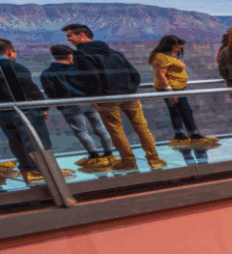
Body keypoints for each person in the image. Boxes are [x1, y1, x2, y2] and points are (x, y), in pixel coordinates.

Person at [63, 24, 165, 171]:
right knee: (141, 126)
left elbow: (90, 77)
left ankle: (128, 161)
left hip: (107, 97)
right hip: (129, 95)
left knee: (115, 129)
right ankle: (154, 158)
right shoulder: (113, 51)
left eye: (70, 35)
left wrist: (94, 97)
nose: (68, 39)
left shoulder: (81, 54)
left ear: (82, 35)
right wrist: (130, 88)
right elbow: (134, 74)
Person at [41, 45, 113, 167]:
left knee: (81, 131)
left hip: (69, 105)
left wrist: (60, 105)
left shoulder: (48, 73)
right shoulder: (81, 69)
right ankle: (109, 153)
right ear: (70, 56)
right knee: (100, 128)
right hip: (90, 101)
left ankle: (94, 155)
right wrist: (95, 98)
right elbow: (94, 83)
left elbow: (50, 92)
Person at [0, 39, 58, 181]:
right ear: (10, 52)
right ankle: (42, 171)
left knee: (15, 140)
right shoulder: (14, 67)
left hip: (3, 112)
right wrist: (43, 107)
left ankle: (26, 169)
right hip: (25, 110)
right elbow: (29, 88)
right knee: (36, 140)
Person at [147, 35, 210, 146]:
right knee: (185, 110)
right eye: (177, 47)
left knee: (177, 110)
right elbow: (160, 75)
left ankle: (180, 134)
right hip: (172, 89)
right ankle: (193, 135)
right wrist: (169, 90)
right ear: (169, 46)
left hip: (176, 88)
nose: (179, 50)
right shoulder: (161, 57)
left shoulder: (168, 56)